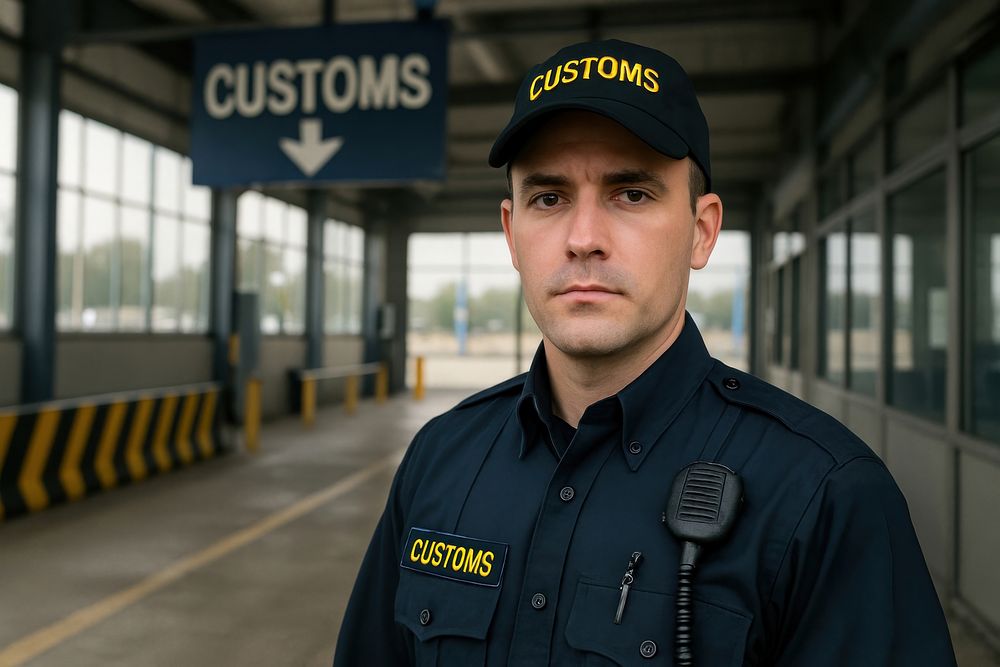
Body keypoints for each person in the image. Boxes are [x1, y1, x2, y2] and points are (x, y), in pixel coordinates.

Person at [333, 39, 956, 666]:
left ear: (702, 231)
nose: (583, 239)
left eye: (631, 193)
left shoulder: (824, 495)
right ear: (511, 234)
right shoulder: (442, 459)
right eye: (548, 198)